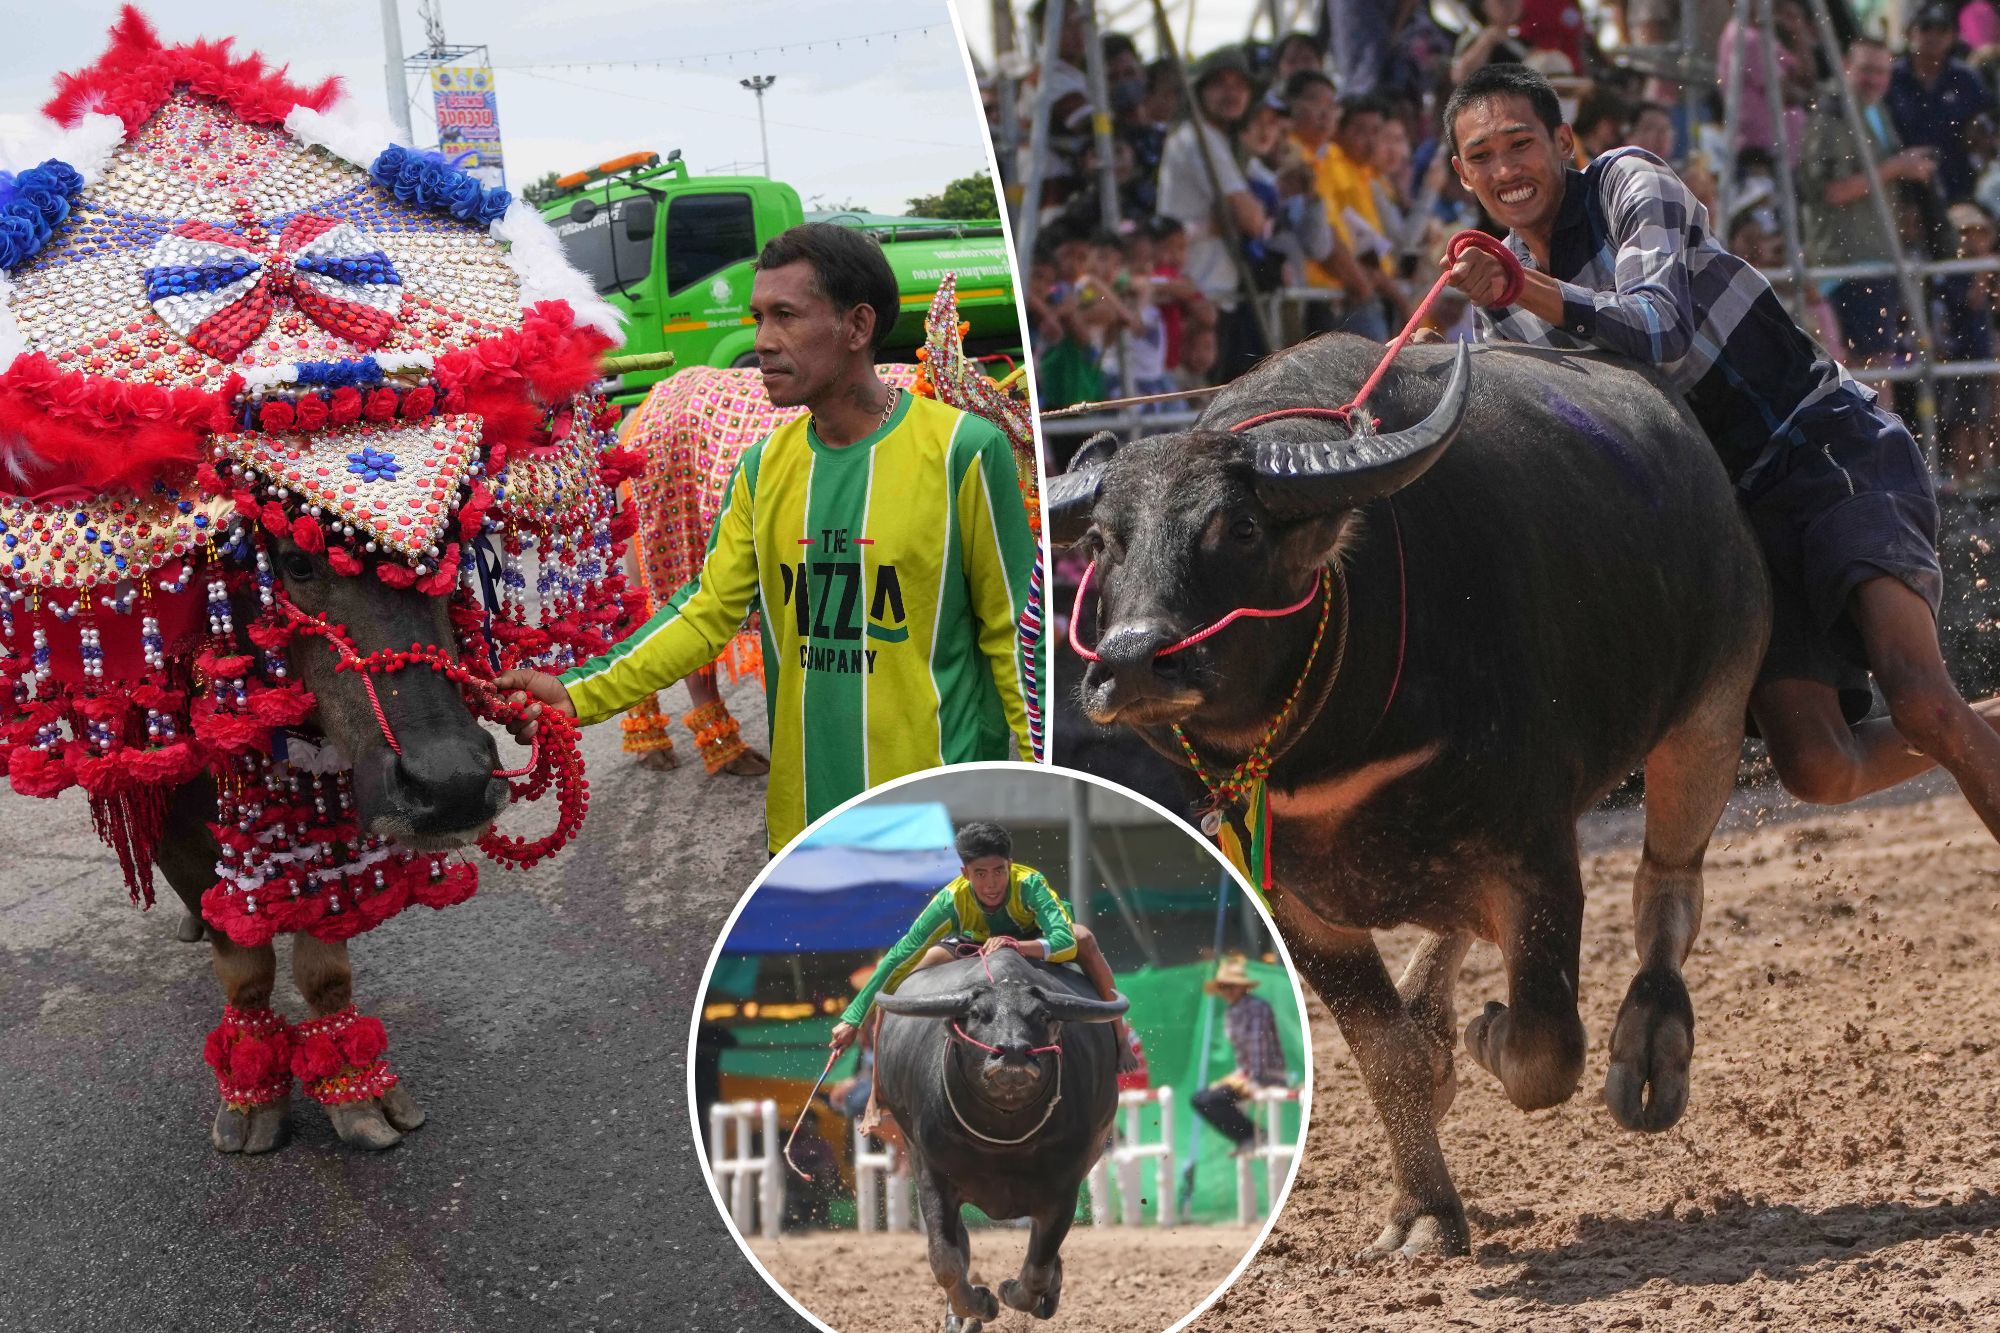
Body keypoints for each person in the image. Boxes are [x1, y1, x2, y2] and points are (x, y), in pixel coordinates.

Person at [1438, 62, 2000, 847]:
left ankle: (1958, 728)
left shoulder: (1625, 181)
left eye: (1519, 144)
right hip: (1732, 520)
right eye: (1483, 156)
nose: (1506, 169)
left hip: (1821, 444)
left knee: (1920, 701)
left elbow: (1661, 327)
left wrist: (1522, 288)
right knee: (1817, 767)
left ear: (1563, 142)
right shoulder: (1500, 318)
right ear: (1462, 175)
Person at [497, 225, 1039, 854]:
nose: (761, 342)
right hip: (806, 823)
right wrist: (575, 693)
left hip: (941, 823)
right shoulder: (762, 468)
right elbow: (703, 614)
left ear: (857, 326)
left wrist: (1038, 791)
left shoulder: (962, 452)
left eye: (786, 315)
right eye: (758, 318)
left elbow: (1015, 638)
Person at [829, 821, 1137, 1075]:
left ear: (1010, 865)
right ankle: (879, 1085)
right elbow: (899, 955)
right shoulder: (950, 900)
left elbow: (1064, 941)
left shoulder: (1030, 884)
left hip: (1030, 939)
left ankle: (1119, 1036)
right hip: (975, 945)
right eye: (980, 874)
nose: (991, 884)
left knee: (1083, 937)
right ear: (965, 873)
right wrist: (852, 1020)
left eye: (999, 871)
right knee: (916, 965)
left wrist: (1016, 946)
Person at [1800, 37, 1938, 370]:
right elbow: (1832, 191)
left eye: (1881, 72)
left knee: (1878, 368)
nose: (1874, 80)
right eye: (1866, 70)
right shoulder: (1832, 114)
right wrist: (1898, 167)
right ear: (1846, 67)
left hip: (1877, 257)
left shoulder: (1875, 108)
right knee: (1868, 372)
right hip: (1848, 261)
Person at [1157, 45, 1270, 378]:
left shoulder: (1223, 142)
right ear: (1200, 92)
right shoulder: (1198, 139)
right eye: (1219, 84)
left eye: (1239, 85)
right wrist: (1241, 216)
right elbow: (1252, 219)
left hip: (1213, 293)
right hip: (1197, 296)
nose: (1231, 93)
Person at [1887, 3, 1994, 205]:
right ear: (1909, 33)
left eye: (1942, 30)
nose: (1933, 36)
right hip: (1905, 194)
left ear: (1953, 36)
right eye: (1925, 28)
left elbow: (1987, 123)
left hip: (1961, 190)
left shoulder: (1966, 78)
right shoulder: (1891, 78)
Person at [1188, 954, 1290, 1153]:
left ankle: (1251, 1135)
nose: (1227, 991)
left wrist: (1254, 1080)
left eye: (1231, 986)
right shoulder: (1233, 1012)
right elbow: (1246, 1054)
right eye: (1224, 987)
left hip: (1263, 1075)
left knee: (1209, 1100)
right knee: (1201, 1099)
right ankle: (1249, 1135)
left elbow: (1259, 1047)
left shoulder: (1256, 1008)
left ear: (1242, 987)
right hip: (1248, 1074)